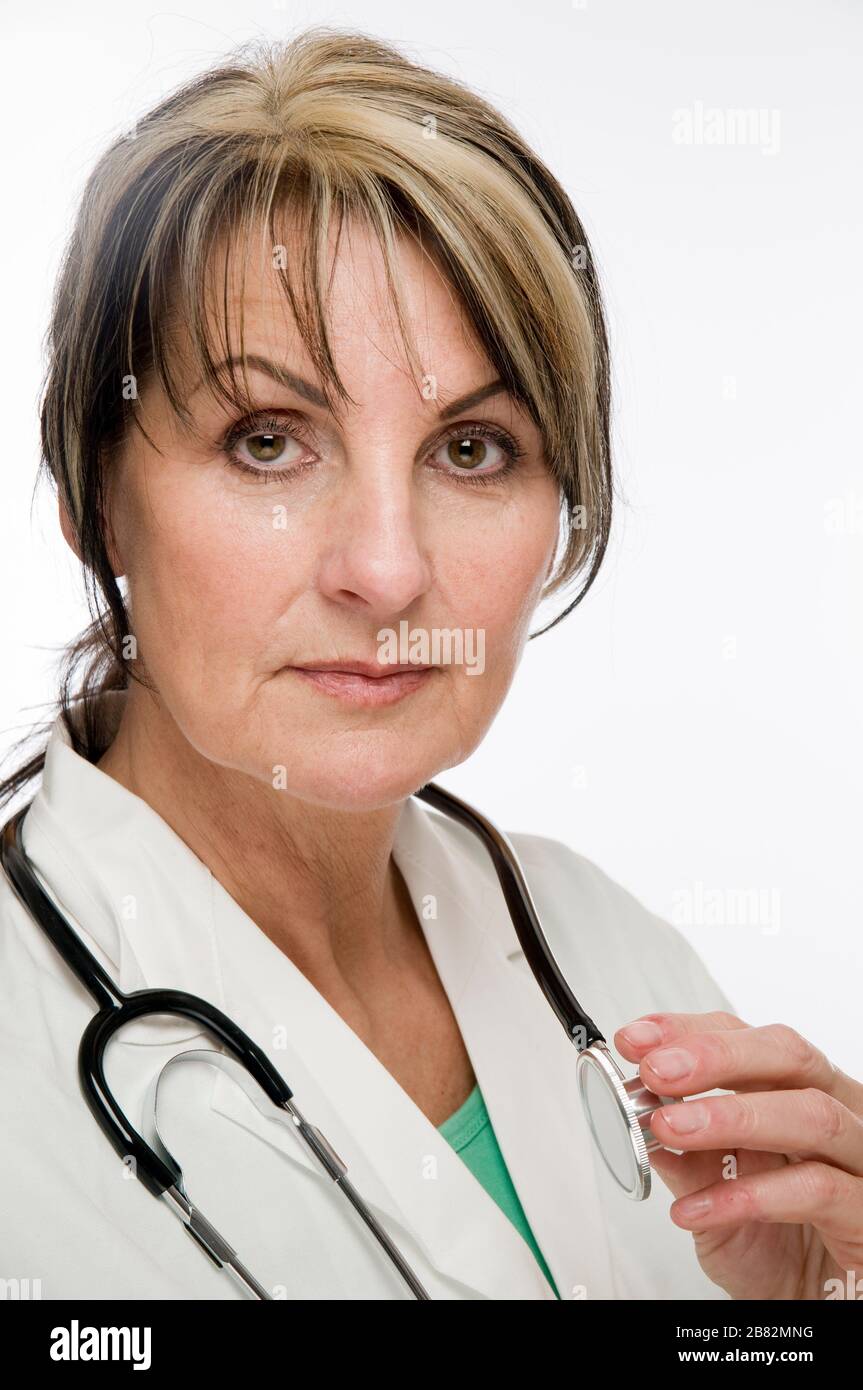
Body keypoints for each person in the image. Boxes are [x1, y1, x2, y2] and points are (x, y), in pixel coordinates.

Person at [1, 29, 860, 1302]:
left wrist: (801, 1316)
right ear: (96, 497)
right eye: (265, 440)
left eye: (469, 449)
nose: (387, 572)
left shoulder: (616, 963)